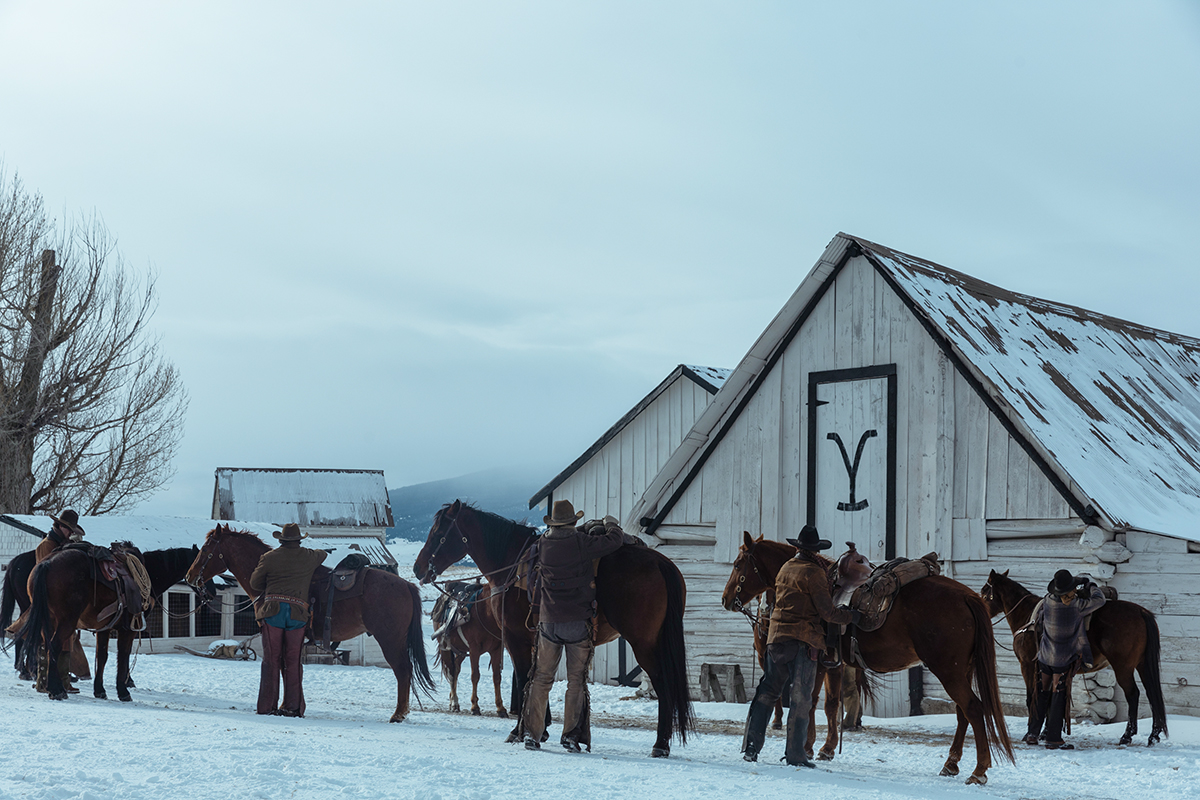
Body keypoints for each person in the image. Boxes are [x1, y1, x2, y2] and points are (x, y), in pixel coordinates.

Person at [742, 525, 859, 767]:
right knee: (801, 697)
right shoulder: (814, 572)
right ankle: (795, 754)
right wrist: (851, 616)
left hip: (777, 639)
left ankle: (752, 747)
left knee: (767, 692)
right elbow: (827, 612)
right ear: (814, 551)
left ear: (798, 547)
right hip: (805, 641)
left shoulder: (785, 568)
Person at [521, 500, 627, 753]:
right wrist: (611, 524)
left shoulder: (543, 543)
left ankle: (532, 734)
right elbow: (614, 541)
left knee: (541, 679)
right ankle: (570, 735)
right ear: (573, 522)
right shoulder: (581, 543)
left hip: (548, 621)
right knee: (575, 682)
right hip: (578, 621)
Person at [249, 523, 327, 717]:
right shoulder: (309, 557)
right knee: (293, 661)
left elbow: (254, 583)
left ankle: (267, 706)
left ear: (281, 540)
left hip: (272, 612)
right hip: (297, 614)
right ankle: (293, 707)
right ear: (299, 540)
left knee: (271, 660)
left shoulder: (269, 557)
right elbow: (323, 554)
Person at [1023, 569, 1106, 750]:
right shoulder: (1076, 605)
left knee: (1041, 693)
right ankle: (1053, 738)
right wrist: (1090, 585)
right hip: (1063, 659)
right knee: (1058, 695)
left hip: (1045, 656)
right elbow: (1100, 600)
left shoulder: (1047, 601)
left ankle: (1032, 733)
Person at [33, 510, 90, 692]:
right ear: (61, 526)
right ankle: (46, 681)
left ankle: (62, 679)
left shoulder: (60, 544)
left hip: (59, 599)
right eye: (69, 529)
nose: (70, 533)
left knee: (65, 639)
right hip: (49, 599)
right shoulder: (47, 545)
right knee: (49, 639)